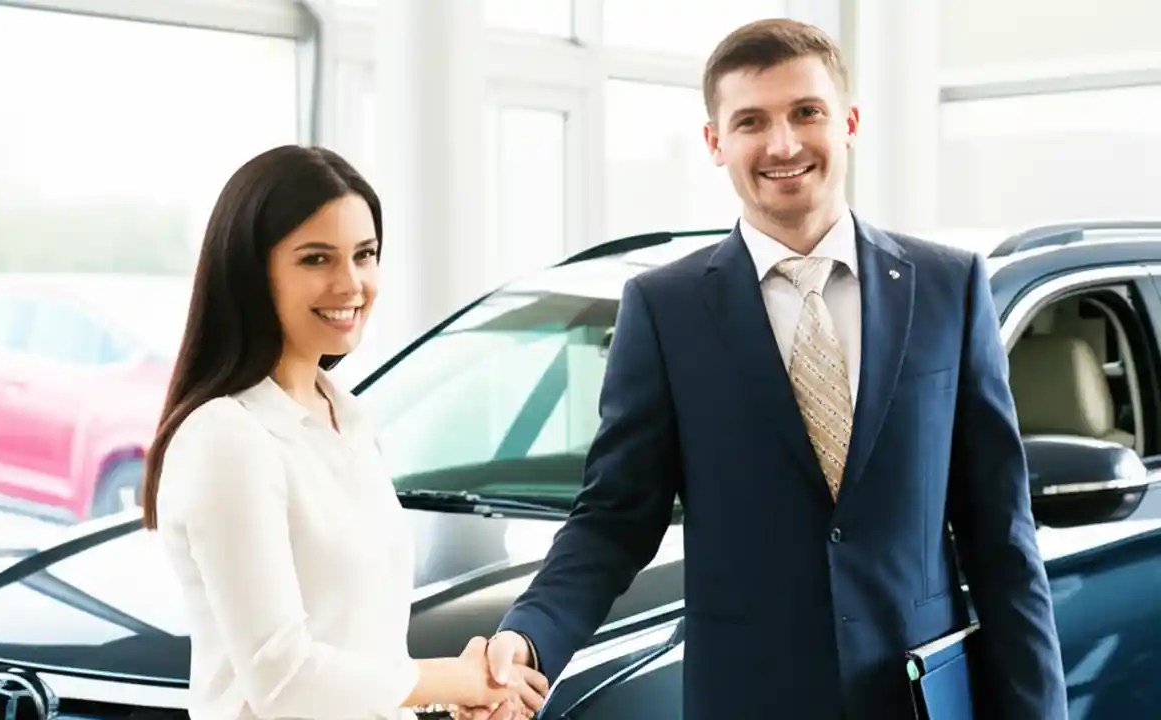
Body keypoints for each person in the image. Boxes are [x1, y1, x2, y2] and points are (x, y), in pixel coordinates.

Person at [462, 18, 1068, 720]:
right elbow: (614, 520)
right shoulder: (665, 311)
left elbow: (1001, 537)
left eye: (806, 113)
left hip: (918, 702)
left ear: (848, 121)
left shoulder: (947, 289)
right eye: (751, 121)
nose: (783, 144)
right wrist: (530, 637)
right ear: (716, 142)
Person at [140, 145, 546, 720]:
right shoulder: (226, 436)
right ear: (252, 274)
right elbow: (283, 679)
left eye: (365, 254)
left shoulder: (348, 420)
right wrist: (455, 679)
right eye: (316, 259)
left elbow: (363, 654)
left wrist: (450, 703)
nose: (351, 282)